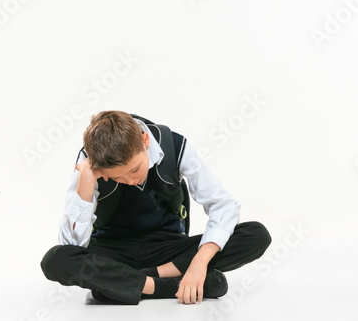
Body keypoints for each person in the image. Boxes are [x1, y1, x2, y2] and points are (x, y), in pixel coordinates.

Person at [41, 111, 272, 304]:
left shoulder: (175, 145)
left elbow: (223, 206)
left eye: (134, 169)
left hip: (168, 248)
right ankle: (168, 286)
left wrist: (200, 262)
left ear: (145, 141)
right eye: (118, 177)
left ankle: (122, 285)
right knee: (55, 260)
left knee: (256, 234)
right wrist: (87, 180)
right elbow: (72, 247)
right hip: (113, 251)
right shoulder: (89, 163)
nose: (131, 181)